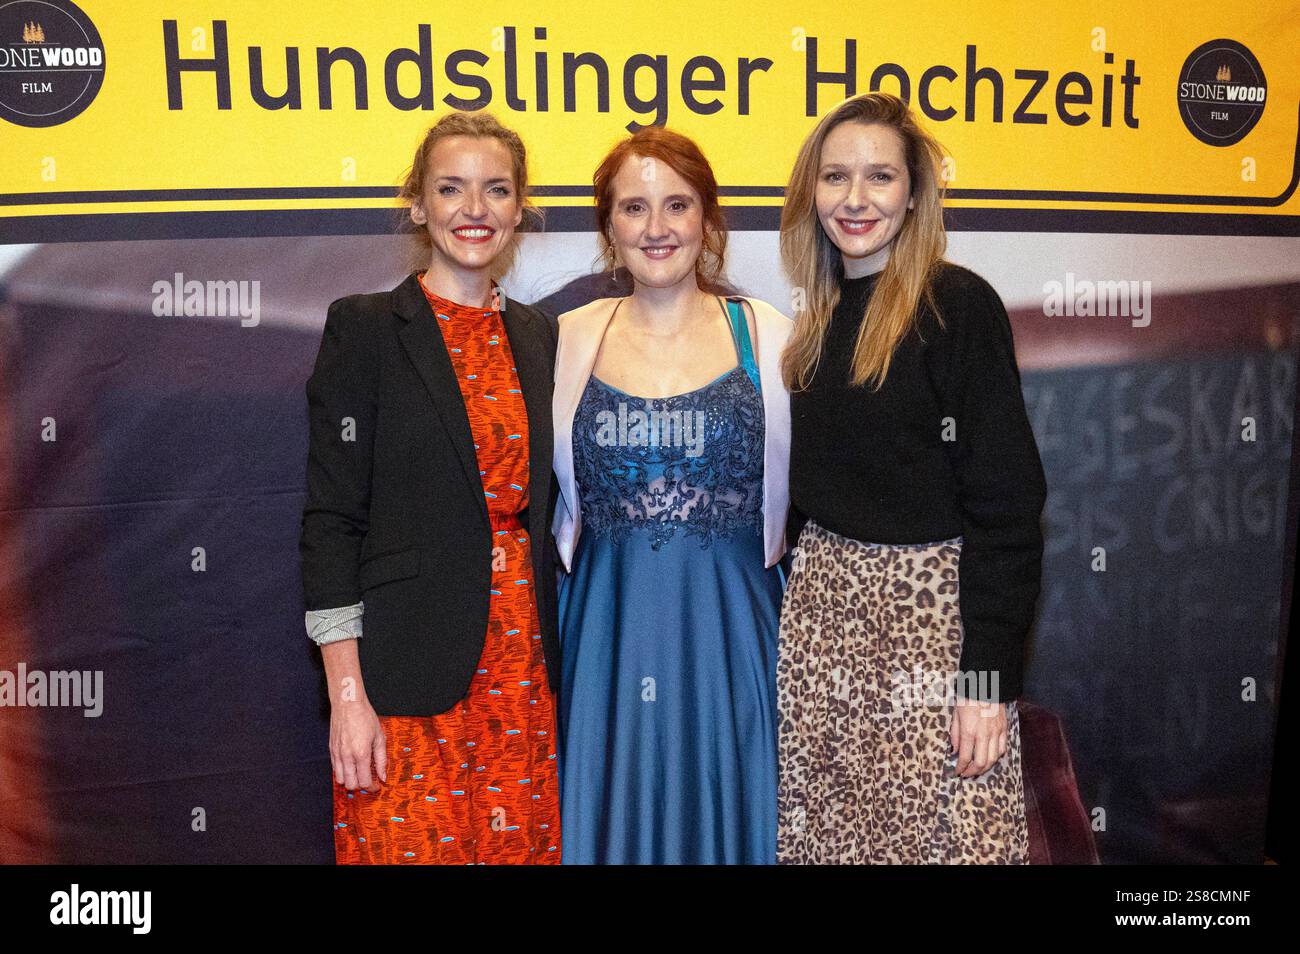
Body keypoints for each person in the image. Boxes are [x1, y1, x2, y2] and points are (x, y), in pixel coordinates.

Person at [776, 92, 1047, 864]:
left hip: (931, 633)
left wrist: (986, 682)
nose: (855, 199)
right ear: (810, 192)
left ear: (914, 192)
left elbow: (1008, 508)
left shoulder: (957, 307)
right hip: (823, 630)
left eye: (879, 178)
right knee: (831, 840)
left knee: (941, 844)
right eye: (835, 177)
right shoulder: (817, 319)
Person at [299, 111, 561, 864]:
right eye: (451, 189)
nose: (474, 210)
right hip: (402, 674)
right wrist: (346, 695)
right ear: (418, 204)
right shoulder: (366, 329)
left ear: (519, 208)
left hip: (524, 666)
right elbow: (331, 521)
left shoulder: (540, 335)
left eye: (496, 190)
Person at [552, 126, 792, 864]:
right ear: (608, 228)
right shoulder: (559, 339)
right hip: (607, 635)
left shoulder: (774, 336)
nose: (656, 228)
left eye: (677, 205)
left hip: (735, 635)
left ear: (710, 220)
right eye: (633, 208)